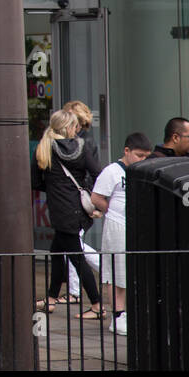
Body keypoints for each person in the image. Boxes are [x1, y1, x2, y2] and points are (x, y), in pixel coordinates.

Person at [33, 109, 104, 319]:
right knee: (58, 251)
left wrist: (55, 189)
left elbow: (36, 181)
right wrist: (83, 191)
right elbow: (97, 173)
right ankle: (52, 298)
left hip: (58, 209)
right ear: (71, 128)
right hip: (76, 209)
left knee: (75, 257)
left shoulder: (44, 147)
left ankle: (97, 304)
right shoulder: (82, 148)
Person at [91, 131, 154, 336]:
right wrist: (111, 210)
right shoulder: (112, 171)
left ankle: (128, 312)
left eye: (146, 156)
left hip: (137, 224)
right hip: (118, 224)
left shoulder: (143, 172)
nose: (142, 160)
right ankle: (119, 314)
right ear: (126, 151)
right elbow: (97, 196)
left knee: (130, 269)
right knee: (117, 270)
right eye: (138, 155)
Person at [62, 100, 102, 301]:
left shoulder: (82, 142)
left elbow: (93, 172)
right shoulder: (83, 140)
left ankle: (77, 289)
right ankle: (73, 289)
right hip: (78, 195)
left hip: (78, 197)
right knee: (69, 242)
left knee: (73, 242)